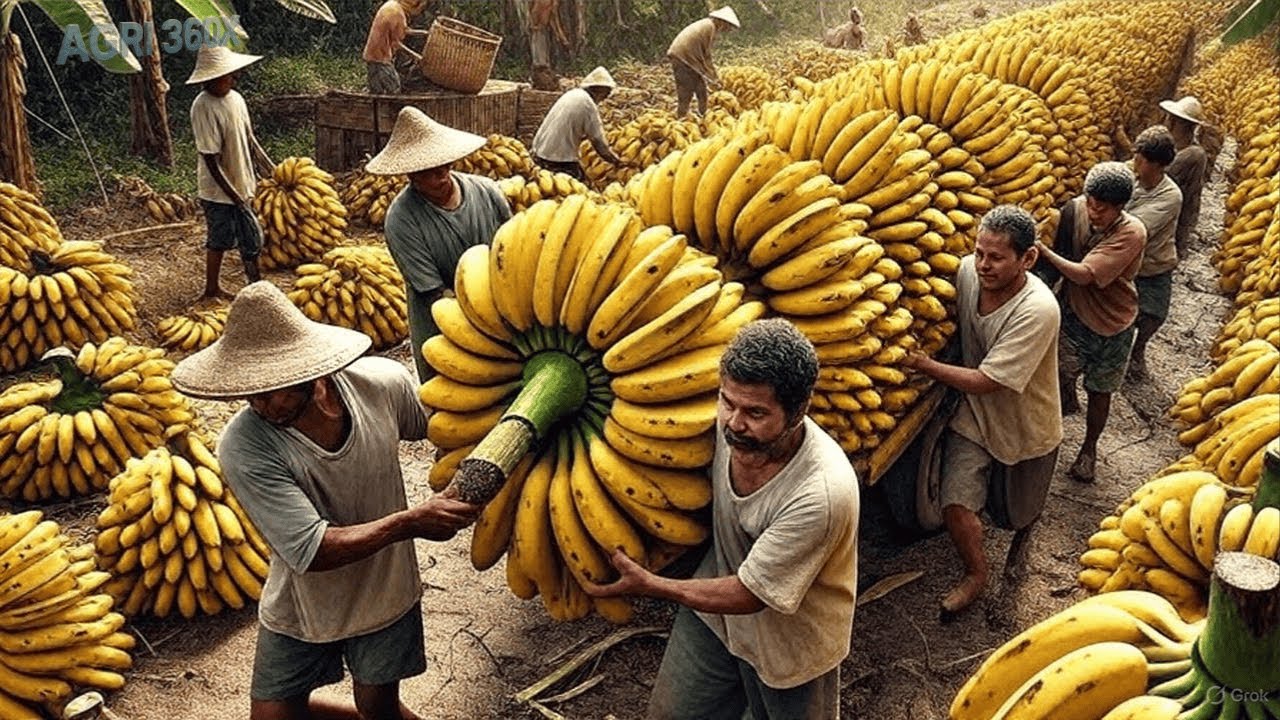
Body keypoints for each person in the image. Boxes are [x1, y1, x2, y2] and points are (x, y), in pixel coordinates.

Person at [170, 281, 482, 720]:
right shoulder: (244, 446)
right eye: (250, 392)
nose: (261, 405)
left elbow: (448, 429)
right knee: (273, 717)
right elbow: (312, 550)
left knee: (378, 707)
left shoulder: (381, 386)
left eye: (272, 390)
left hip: (386, 588)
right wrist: (411, 522)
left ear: (310, 376)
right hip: (303, 603)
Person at [586, 318, 859, 720]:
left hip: (791, 643)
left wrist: (653, 586)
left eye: (755, 413)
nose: (734, 423)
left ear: (799, 411)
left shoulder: (821, 493)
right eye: (728, 402)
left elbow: (750, 594)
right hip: (714, 615)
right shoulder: (723, 423)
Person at [902, 206, 1062, 616]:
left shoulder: (1038, 310)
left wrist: (925, 365)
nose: (983, 265)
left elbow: (989, 380)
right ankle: (976, 574)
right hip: (974, 414)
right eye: (979, 253)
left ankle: (1022, 544)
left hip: (1025, 418)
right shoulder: (968, 273)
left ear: (1028, 258)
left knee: (1019, 509)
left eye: (996, 258)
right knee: (957, 503)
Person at [367, 107, 513, 382]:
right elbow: (434, 291)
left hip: (508, 316)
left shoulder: (487, 192)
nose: (441, 175)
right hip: (446, 324)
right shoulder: (401, 220)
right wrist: (483, 322)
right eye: (429, 171)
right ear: (411, 175)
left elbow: (513, 249)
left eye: (444, 165)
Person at [1036, 162, 1146, 483]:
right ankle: (1048, 437)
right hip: (1074, 314)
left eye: (1102, 208)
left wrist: (1042, 250)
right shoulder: (1074, 211)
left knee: (1100, 390)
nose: (1093, 212)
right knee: (1055, 377)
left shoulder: (1132, 233)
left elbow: (1085, 275)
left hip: (1113, 323)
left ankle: (1089, 448)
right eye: (1090, 202)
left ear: (1120, 207)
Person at [188, 45, 274, 301]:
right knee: (219, 239)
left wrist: (270, 169)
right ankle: (211, 288)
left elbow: (249, 139)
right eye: (228, 75)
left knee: (250, 237)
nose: (234, 78)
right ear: (211, 79)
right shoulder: (203, 107)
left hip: (242, 180)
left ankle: (256, 286)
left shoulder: (236, 99)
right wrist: (234, 196)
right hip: (218, 190)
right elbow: (210, 158)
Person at [1125, 126, 1182, 380]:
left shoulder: (1170, 196)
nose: (1135, 162)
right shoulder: (1127, 174)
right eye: (1135, 156)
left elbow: (1136, 228)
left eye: (1141, 160)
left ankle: (1138, 349)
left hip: (1153, 264)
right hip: (1125, 262)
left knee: (1154, 315)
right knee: (1121, 316)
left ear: (1158, 165)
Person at [531, 66, 622, 181]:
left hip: (539, 153)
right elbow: (598, 142)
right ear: (599, 89)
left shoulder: (573, 94)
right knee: (581, 188)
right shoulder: (588, 104)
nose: (607, 96)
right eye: (607, 92)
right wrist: (616, 161)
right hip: (557, 160)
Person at [1159, 95, 1210, 258]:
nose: (1168, 122)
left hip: (1171, 216)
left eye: (1172, 119)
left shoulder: (1193, 154)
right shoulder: (1173, 145)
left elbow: (1159, 175)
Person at [667, 6, 740, 117]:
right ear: (722, 22)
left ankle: (703, 115)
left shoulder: (707, 24)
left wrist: (712, 76)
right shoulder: (710, 27)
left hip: (686, 58)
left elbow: (703, 54)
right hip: (682, 57)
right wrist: (714, 78)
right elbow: (706, 56)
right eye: (728, 26)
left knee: (701, 90)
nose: (727, 29)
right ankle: (680, 118)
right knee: (686, 92)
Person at [362, 0, 429, 95]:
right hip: (381, 58)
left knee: (376, 90)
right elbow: (396, 43)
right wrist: (416, 56)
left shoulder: (392, 5)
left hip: (371, 54)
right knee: (394, 88)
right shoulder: (398, 14)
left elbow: (404, 30)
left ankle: (376, 102)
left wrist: (424, 33)